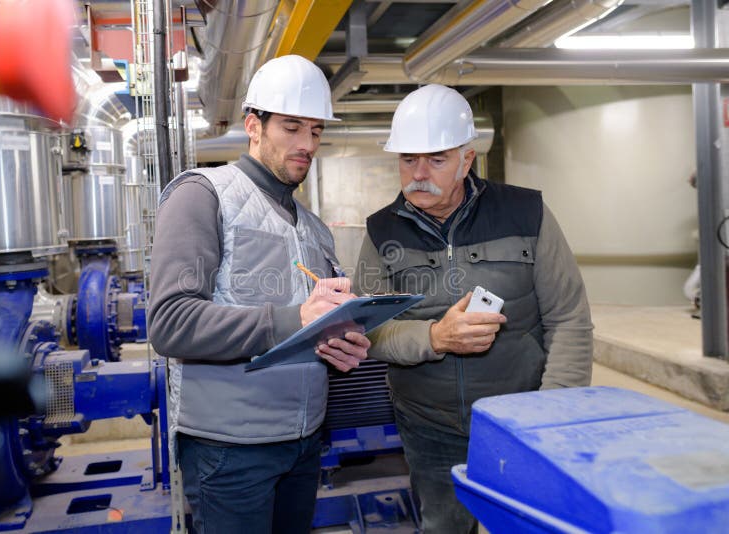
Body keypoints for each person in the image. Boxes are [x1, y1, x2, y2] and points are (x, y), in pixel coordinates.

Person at [353, 84, 593, 533]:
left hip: (522, 422)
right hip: (431, 427)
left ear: (467, 160)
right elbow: (368, 332)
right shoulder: (380, 232)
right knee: (444, 526)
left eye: (436, 159)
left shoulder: (527, 213)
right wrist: (434, 338)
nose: (419, 173)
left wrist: (552, 412)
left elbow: (570, 319)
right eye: (408, 159)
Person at [148, 54, 370, 534]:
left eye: (315, 131)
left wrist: (342, 340)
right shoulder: (204, 195)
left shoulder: (312, 226)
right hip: (230, 452)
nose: (307, 144)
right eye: (292, 127)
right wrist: (296, 320)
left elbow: (313, 319)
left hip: (305, 441)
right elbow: (169, 322)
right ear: (254, 125)